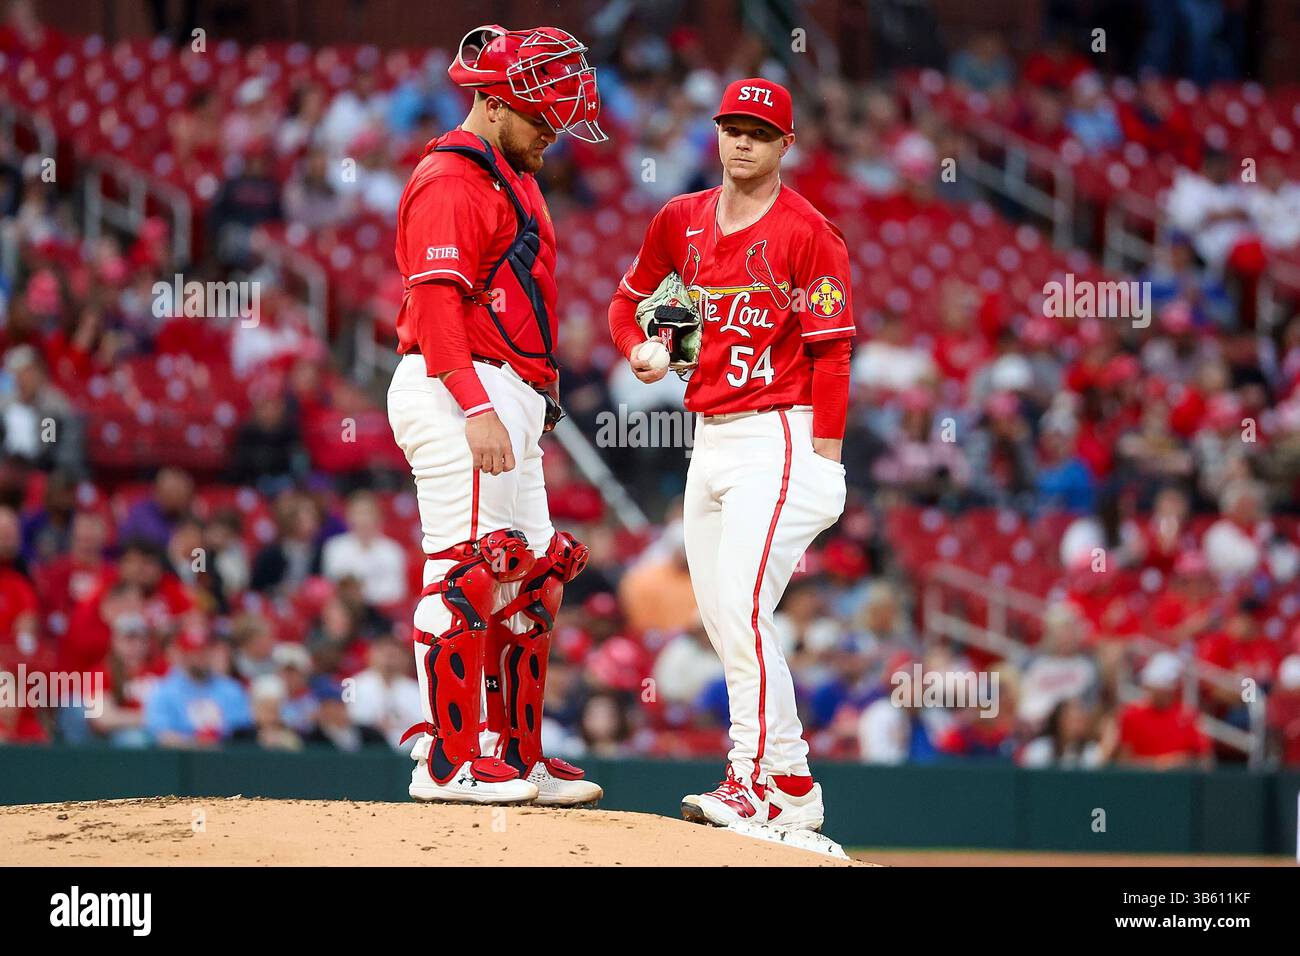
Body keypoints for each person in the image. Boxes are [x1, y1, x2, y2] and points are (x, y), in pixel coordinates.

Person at [607, 78, 853, 832]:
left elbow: (833, 355)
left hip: (780, 432)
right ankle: (793, 782)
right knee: (726, 619)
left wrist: (827, 460)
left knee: (743, 611)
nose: (741, 140)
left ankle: (749, 778)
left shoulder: (811, 233)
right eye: (731, 127)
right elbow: (631, 303)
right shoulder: (680, 221)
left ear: (785, 144)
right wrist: (645, 346)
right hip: (707, 438)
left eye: (758, 130)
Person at [386, 24, 606, 806]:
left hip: (502, 389)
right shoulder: (451, 177)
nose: (552, 129)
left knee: (534, 576)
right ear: (490, 101)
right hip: (457, 384)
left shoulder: (508, 172)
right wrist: (475, 403)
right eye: (540, 115)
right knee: (466, 570)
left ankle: (514, 753)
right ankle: (448, 761)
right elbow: (435, 300)